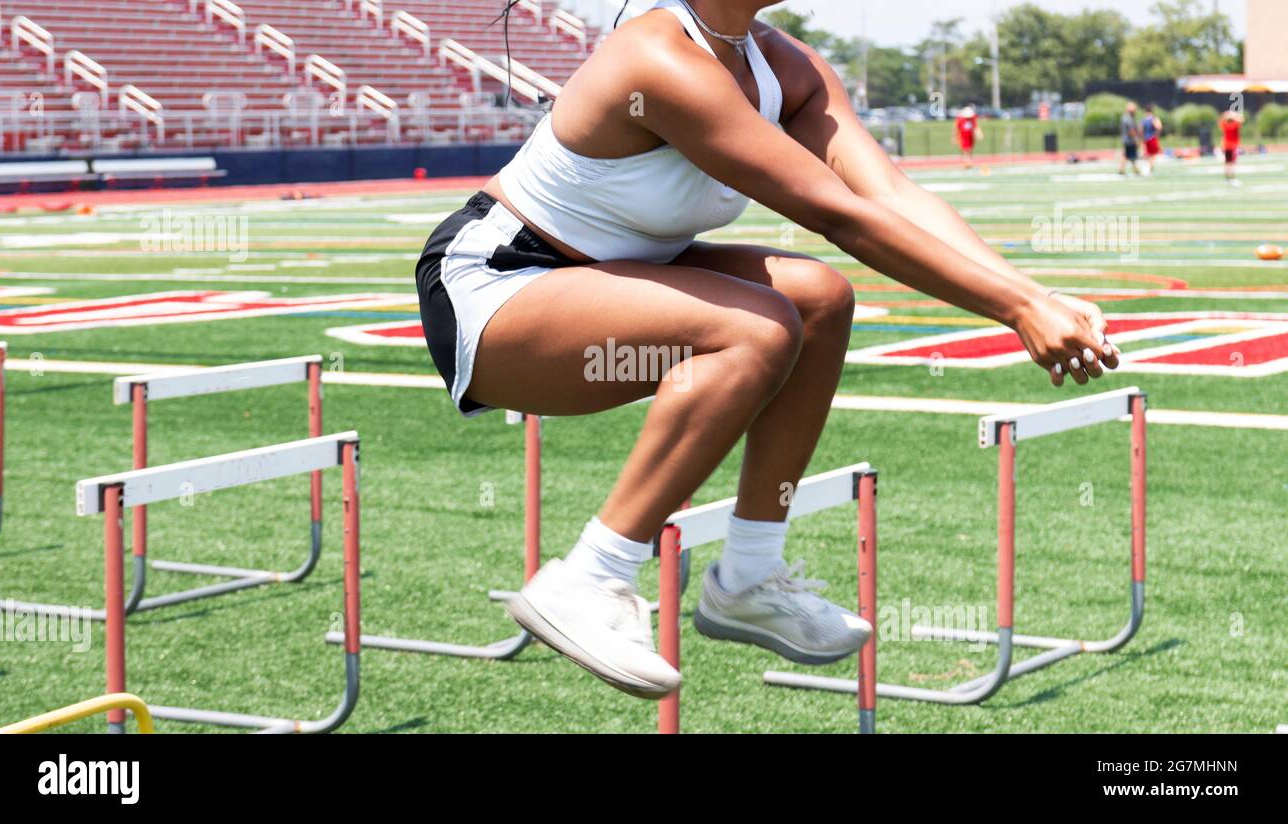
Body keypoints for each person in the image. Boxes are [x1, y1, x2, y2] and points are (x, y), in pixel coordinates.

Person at [416, 0, 1120, 699]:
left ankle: (748, 574)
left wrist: (1035, 294)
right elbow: (836, 212)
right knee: (757, 327)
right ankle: (591, 576)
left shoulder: (785, 64)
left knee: (818, 301)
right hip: (499, 285)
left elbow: (891, 194)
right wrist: (1016, 309)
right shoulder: (658, 58)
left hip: (616, 278)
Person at [955, 104, 982, 170]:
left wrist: (979, 134)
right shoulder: (961, 120)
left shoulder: (972, 119)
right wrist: (955, 137)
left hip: (970, 136)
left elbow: (976, 127)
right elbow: (956, 128)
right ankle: (966, 162)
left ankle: (970, 161)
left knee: (970, 149)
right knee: (965, 149)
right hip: (963, 136)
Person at [1221, 110, 1243, 186]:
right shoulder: (1235, 124)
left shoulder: (1225, 124)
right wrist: (1235, 115)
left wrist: (1228, 115)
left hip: (1227, 146)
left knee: (1227, 162)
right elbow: (1241, 119)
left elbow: (1222, 119)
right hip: (1233, 146)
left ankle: (1227, 176)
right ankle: (1232, 176)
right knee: (1232, 162)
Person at [1119, 101, 1141, 176]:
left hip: (1126, 140)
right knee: (1131, 155)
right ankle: (1134, 170)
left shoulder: (1126, 117)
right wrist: (1136, 139)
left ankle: (1125, 169)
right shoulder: (1128, 118)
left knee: (1128, 155)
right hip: (1129, 140)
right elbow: (1131, 131)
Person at [1141, 104, 1164, 175]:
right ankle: (1150, 167)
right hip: (1152, 138)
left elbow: (1141, 130)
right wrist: (1157, 134)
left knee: (1148, 154)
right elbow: (1159, 127)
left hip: (1146, 138)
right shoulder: (1154, 118)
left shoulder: (1143, 120)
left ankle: (1150, 167)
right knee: (1153, 154)